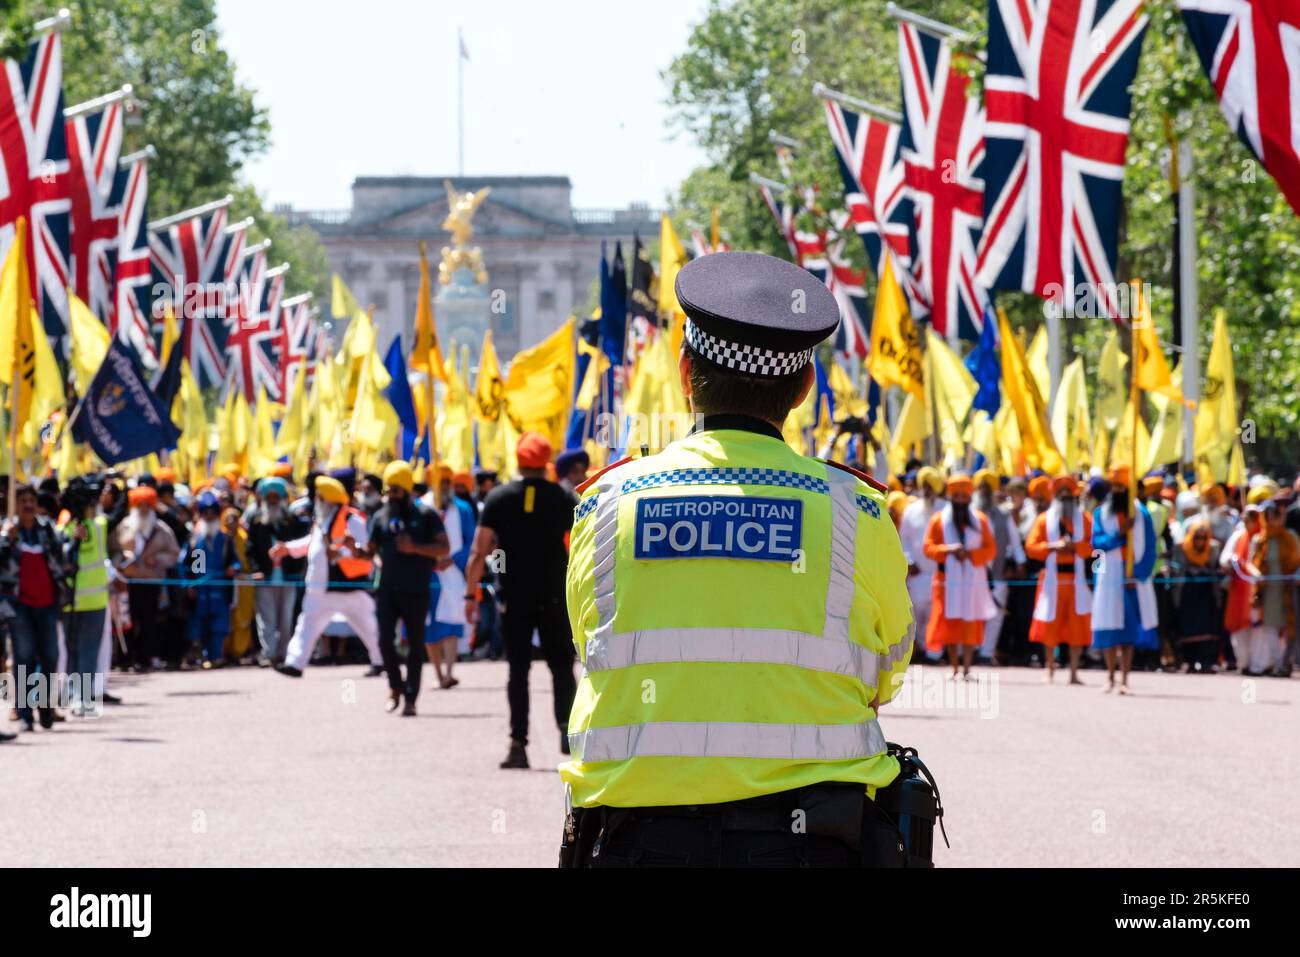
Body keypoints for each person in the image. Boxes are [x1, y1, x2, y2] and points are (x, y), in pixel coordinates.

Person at [555, 251, 914, 868]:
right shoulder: (859, 510)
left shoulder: (607, 501)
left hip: (639, 839)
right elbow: (888, 667)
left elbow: (591, 645)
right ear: (804, 388)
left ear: (685, 369)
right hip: (814, 839)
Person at [464, 432, 578, 769]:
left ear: (517, 460)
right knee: (561, 667)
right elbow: (578, 545)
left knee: (518, 671)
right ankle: (567, 733)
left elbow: (479, 550)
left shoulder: (499, 498)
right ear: (545, 464)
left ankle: (518, 744)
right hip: (555, 595)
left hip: (513, 597)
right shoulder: (563, 498)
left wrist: (470, 594)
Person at [273, 476, 385, 681]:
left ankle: (381, 661)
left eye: (319, 496)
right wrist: (287, 549)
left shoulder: (352, 518)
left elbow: (367, 549)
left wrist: (342, 553)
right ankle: (295, 664)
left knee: (369, 627)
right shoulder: (322, 520)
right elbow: (311, 543)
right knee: (306, 626)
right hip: (320, 589)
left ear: (328, 499)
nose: (316, 500)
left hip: (349, 587)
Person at [367, 460, 448, 716]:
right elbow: (372, 549)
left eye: (396, 490)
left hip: (416, 590)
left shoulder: (426, 515)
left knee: (415, 645)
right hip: (387, 591)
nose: (391, 495)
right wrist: (359, 550)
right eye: (388, 490)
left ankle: (411, 697)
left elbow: (444, 548)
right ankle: (395, 687)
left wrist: (416, 549)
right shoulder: (381, 516)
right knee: (383, 641)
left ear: (406, 489)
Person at [1, 484, 72, 731]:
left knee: (50, 657)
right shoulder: (6, 531)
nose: (28, 505)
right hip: (18, 605)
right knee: (24, 658)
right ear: (15, 505)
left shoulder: (48, 530)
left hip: (48, 603)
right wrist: (5, 542)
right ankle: (24, 713)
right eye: (23, 501)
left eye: (32, 500)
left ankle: (45, 705)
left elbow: (63, 558)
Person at [1090, 467, 1159, 694]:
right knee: (1109, 627)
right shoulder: (1101, 513)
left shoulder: (1142, 514)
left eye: (1122, 487)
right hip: (1109, 578)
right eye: (1115, 487)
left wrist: (1138, 574)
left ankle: (1125, 680)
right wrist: (1119, 535)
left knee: (1128, 631)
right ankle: (1109, 677)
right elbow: (1097, 544)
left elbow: (1150, 547)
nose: (1118, 491)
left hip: (1130, 579)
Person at [923, 473, 997, 679]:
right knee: (949, 625)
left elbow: (990, 550)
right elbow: (928, 548)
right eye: (957, 496)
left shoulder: (980, 520)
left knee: (970, 625)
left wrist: (971, 555)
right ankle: (954, 668)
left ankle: (967, 669)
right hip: (946, 582)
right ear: (951, 497)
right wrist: (948, 550)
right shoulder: (938, 520)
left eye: (965, 497)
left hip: (972, 582)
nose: (961, 500)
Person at [1025, 475, 1093, 684]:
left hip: (1077, 581)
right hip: (1052, 581)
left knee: (1078, 626)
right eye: (1060, 493)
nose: (1064, 497)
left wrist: (1076, 547)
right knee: (1050, 625)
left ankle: (1073, 672)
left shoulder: (1085, 519)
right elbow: (1030, 547)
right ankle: (1049, 668)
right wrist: (1052, 547)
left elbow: (1096, 548)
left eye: (1068, 493)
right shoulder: (1044, 519)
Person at [111, 486, 180, 672]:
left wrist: (157, 560)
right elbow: (112, 551)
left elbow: (174, 554)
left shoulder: (161, 529)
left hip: (152, 581)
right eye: (139, 505)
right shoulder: (123, 526)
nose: (143, 509)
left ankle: (146, 657)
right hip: (128, 581)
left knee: (149, 621)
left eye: (146, 505)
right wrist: (123, 560)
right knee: (127, 621)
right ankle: (126, 659)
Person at [60, 477, 111, 715]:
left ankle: (75, 695)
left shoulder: (64, 530)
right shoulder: (98, 526)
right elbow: (118, 510)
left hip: (74, 602)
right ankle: (80, 698)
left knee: (74, 651)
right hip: (89, 602)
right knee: (86, 650)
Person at [424, 465, 476, 689]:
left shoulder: (463, 509)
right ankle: (437, 674)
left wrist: (453, 560)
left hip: (453, 573)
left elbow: (471, 540)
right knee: (430, 626)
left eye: (447, 482)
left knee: (452, 623)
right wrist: (430, 560)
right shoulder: (420, 507)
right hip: (428, 574)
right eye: (440, 482)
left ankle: (449, 672)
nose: (445, 486)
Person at [245, 477, 305, 665]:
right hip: (265, 578)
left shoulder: (292, 520)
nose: (272, 500)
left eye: (275, 496)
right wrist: (256, 570)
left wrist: (295, 570)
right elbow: (250, 549)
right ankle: (269, 653)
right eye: (268, 496)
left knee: (286, 618)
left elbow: (300, 548)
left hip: (288, 577)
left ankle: (285, 653)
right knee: (266, 618)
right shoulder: (256, 521)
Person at [181, 492, 240, 668]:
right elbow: (184, 565)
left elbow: (235, 561)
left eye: (212, 511)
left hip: (219, 589)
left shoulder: (226, 539)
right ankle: (201, 656)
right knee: (198, 623)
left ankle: (216, 656)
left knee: (219, 624)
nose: (209, 515)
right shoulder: (194, 539)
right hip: (200, 589)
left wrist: (233, 569)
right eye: (205, 511)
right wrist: (187, 585)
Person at [974, 469, 1025, 665]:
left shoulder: (1003, 515)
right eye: (981, 487)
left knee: (995, 615)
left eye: (988, 487)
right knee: (975, 614)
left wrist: (1017, 563)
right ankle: (974, 649)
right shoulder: (969, 513)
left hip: (998, 573)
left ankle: (986, 653)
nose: (984, 491)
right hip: (975, 573)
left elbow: (1014, 542)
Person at [1246, 502, 1300, 676]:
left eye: (1275, 515)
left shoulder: (1290, 537)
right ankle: (1277, 664)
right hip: (1268, 590)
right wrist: (1257, 574)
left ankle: (1286, 662)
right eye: (1268, 516)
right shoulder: (1259, 540)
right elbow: (1250, 562)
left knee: (1291, 626)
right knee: (1270, 626)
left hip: (1289, 588)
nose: (1272, 520)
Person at [898, 466, 944, 660]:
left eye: (930, 486)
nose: (926, 490)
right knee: (915, 616)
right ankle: (916, 653)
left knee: (936, 614)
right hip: (917, 573)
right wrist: (909, 561)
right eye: (923, 486)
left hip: (939, 573)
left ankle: (933, 653)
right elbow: (903, 539)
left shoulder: (945, 509)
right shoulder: (911, 510)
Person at [1170, 516, 1222, 673]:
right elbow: (1177, 568)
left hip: (1206, 593)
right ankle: (1189, 660)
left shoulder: (1213, 548)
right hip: (1187, 593)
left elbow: (1215, 568)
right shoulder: (1181, 548)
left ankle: (1206, 661)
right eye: (1197, 537)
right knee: (1187, 627)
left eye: (1203, 537)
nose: (1200, 541)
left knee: (1207, 628)